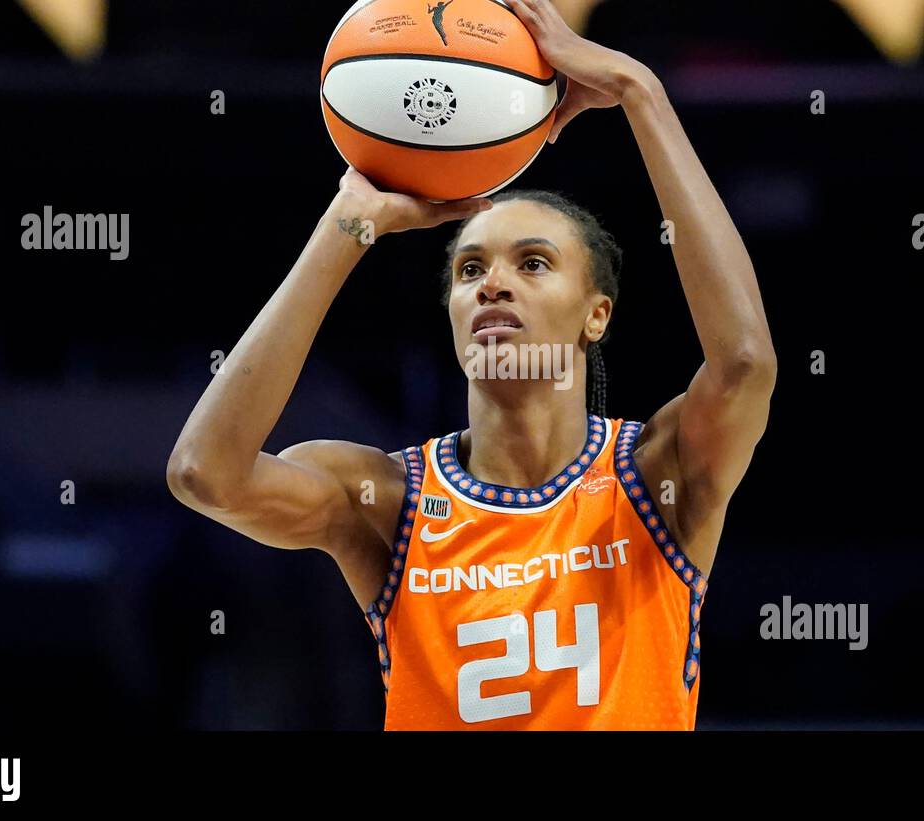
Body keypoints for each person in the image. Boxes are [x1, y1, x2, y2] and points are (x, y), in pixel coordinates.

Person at [167, 0, 775, 729]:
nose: (492, 282)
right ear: (453, 315)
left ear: (596, 314)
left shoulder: (655, 477)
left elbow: (743, 360)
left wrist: (640, 90)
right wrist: (347, 227)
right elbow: (206, 473)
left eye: (534, 262)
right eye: (469, 269)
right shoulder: (387, 500)